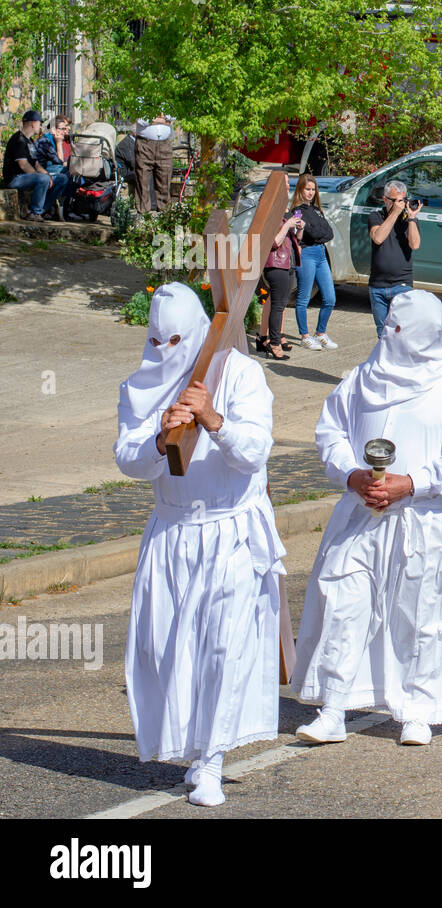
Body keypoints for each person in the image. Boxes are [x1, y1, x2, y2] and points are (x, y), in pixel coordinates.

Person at [293, 290, 442, 746]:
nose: (389, 335)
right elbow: (332, 432)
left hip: (421, 519)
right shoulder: (362, 378)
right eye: (388, 326)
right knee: (345, 604)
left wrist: (413, 482)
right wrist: (352, 475)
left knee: (420, 613)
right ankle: (334, 705)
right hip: (361, 516)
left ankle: (419, 708)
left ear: (423, 333)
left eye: (400, 329)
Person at [114, 283, 286, 806]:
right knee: (168, 649)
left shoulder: (240, 373)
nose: (165, 349)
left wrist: (213, 420)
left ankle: (211, 760)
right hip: (171, 533)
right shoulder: (141, 385)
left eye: (176, 339)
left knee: (222, 647)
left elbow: (255, 451)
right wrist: (157, 438)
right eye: (156, 339)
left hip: (230, 531)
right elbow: (126, 455)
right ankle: (187, 746)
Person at [290, 175, 339, 351]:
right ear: (300, 190)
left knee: (330, 298)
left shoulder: (317, 210)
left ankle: (321, 333)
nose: (310, 193)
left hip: (321, 254)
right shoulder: (296, 211)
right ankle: (304, 336)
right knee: (303, 298)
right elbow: (302, 234)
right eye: (307, 189)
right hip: (307, 255)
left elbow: (329, 233)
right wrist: (314, 232)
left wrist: (314, 231)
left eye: (313, 189)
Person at [367, 179, 420, 336]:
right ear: (385, 199)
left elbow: (415, 244)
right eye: (395, 201)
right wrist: (395, 213)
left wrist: (411, 219)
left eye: (402, 200)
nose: (400, 204)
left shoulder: (408, 219)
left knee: (402, 332)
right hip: (377, 286)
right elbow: (378, 238)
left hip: (401, 284)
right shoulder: (376, 216)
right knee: (383, 333)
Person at [255, 208, 305, 360]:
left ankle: (263, 340)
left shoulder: (285, 218)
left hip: (287, 265)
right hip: (276, 266)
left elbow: (296, 241)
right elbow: (274, 243)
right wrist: (287, 225)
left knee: (280, 305)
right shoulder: (271, 218)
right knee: (277, 307)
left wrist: (300, 229)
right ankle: (274, 343)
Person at [4, 110, 69, 222]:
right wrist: (41, 177)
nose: (40, 126)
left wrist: (47, 175)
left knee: (62, 179)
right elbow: (23, 165)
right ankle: (34, 212)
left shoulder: (30, 141)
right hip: (15, 178)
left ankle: (43, 210)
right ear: (33, 123)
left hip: (29, 177)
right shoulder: (18, 140)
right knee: (43, 179)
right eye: (39, 123)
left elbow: (36, 164)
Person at [134, 113, 175, 214]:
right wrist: (164, 120)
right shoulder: (141, 97)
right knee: (142, 181)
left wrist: (154, 119)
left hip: (164, 143)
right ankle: (143, 219)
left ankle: (165, 219)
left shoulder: (168, 99)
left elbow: (173, 117)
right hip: (145, 144)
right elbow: (141, 120)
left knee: (164, 183)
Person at [34, 114, 72, 216]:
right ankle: (44, 209)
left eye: (65, 128)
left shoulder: (52, 139)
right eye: (62, 129)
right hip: (40, 170)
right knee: (67, 174)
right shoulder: (46, 141)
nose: (65, 131)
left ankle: (63, 209)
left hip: (49, 168)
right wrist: (59, 142)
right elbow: (58, 161)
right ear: (53, 130)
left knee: (71, 175)